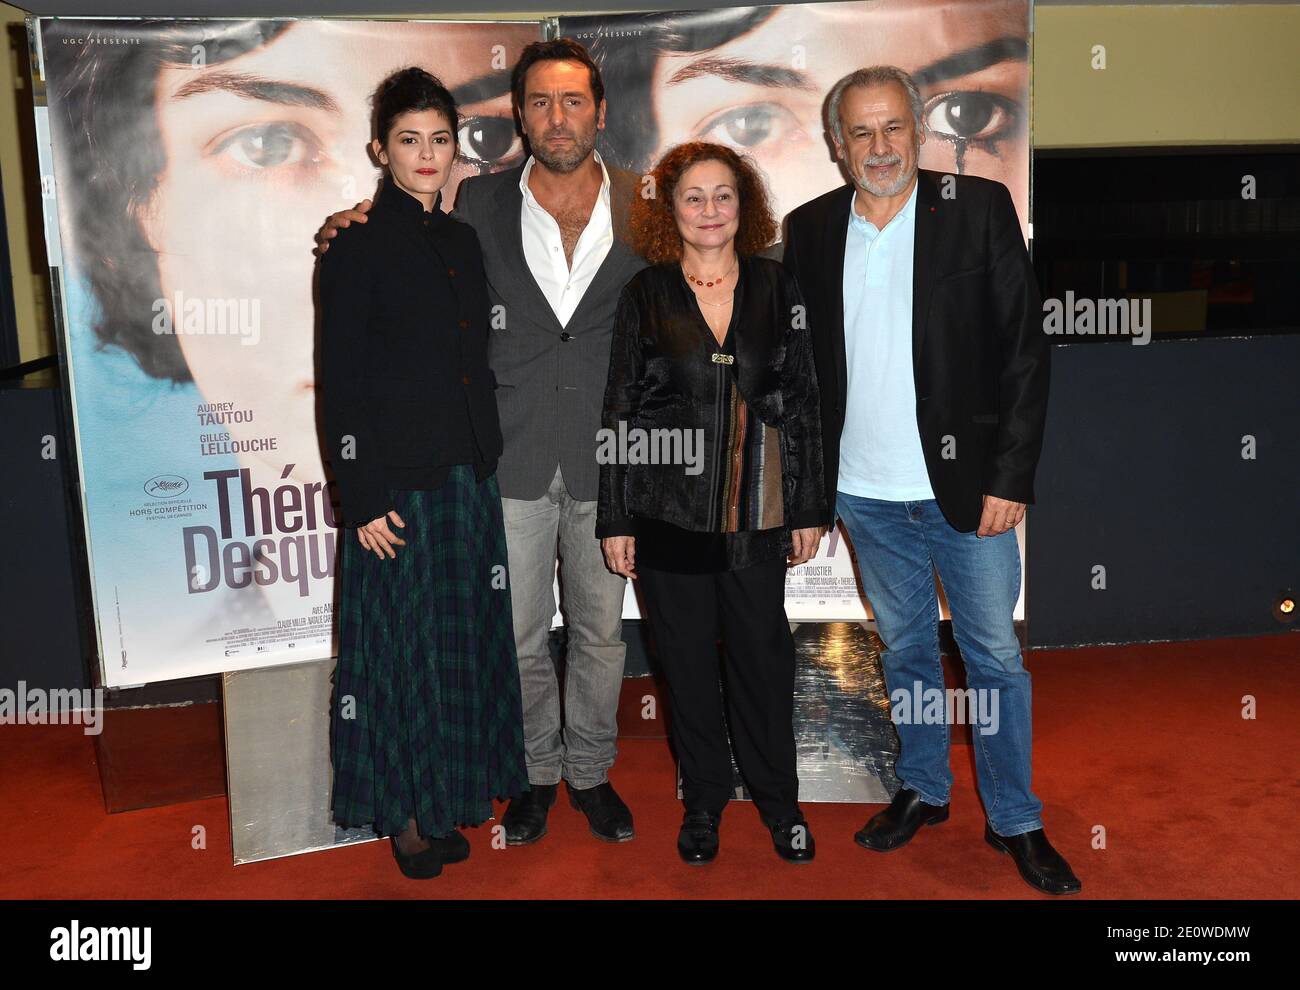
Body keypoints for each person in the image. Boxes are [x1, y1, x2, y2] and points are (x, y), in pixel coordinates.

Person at [317, 40, 647, 847]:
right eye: (538, 102)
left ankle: (592, 773)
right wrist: (343, 220)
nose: (556, 117)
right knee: (517, 637)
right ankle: (535, 773)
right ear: (519, 116)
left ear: (601, 112)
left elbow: (728, 260)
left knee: (602, 634)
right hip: (512, 459)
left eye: (573, 101)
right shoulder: (481, 208)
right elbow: (347, 369)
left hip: (605, 462)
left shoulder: (652, 202)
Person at [782, 65, 1080, 894]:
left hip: (969, 494)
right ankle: (924, 787)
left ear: (918, 131)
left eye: (893, 129)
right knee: (907, 649)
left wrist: (1011, 477)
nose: (880, 147)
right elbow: (800, 373)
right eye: (861, 133)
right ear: (838, 145)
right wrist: (810, 492)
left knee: (991, 658)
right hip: (863, 496)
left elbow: (1025, 352)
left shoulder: (977, 208)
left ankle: (1016, 818)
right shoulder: (808, 229)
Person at [318, 67, 527, 879]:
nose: (427, 154)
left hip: (465, 479)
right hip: (394, 488)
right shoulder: (356, 244)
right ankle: (404, 818)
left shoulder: (461, 239)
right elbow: (342, 380)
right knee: (400, 659)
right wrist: (359, 496)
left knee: (455, 654)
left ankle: (443, 801)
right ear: (381, 149)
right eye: (410, 140)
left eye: (440, 139)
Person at [597, 142, 826, 865]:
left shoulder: (776, 287)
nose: (709, 210)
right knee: (689, 671)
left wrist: (809, 506)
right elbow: (620, 411)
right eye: (693, 196)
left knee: (763, 664)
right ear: (672, 209)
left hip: (757, 519)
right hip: (668, 520)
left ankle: (779, 803)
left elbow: (806, 403)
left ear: (744, 206)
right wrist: (615, 518)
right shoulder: (647, 294)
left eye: (723, 195)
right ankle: (703, 803)